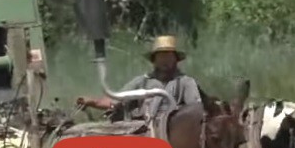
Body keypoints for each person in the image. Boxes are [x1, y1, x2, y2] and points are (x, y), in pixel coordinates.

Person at [76, 36, 205, 122]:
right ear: (154, 60)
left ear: (175, 59)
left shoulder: (185, 82)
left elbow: (195, 111)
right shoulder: (142, 81)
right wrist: (93, 101)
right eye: (161, 56)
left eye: (168, 56)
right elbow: (116, 100)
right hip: (144, 130)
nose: (165, 60)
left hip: (174, 134)